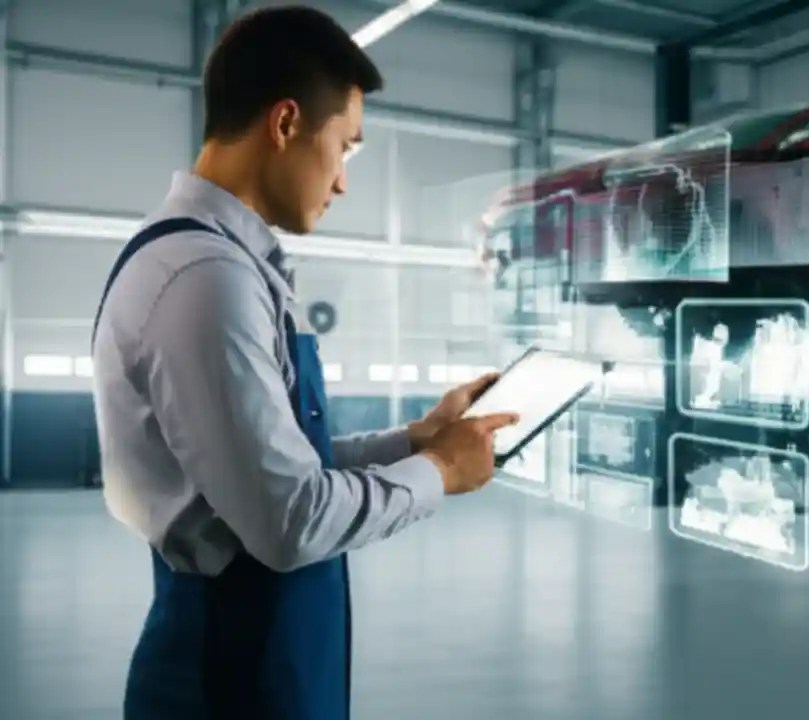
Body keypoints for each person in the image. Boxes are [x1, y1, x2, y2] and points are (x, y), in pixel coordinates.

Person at [89, 6, 517, 719]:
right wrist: (440, 472)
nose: (344, 180)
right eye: (345, 146)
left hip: (264, 661)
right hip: (228, 680)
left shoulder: (221, 265)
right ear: (286, 124)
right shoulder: (205, 279)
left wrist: (416, 439)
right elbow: (290, 520)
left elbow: (280, 463)